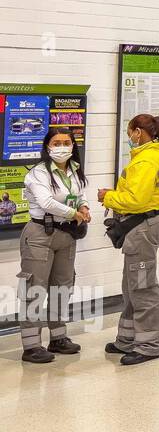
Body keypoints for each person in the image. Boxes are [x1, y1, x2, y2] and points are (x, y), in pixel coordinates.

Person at [100, 114, 159, 366]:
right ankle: (128, 339)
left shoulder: (146, 161)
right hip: (143, 226)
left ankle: (148, 346)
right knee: (131, 285)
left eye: (130, 131)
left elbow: (136, 201)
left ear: (138, 132)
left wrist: (108, 197)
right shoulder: (153, 155)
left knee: (142, 287)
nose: (129, 136)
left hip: (143, 226)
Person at [17, 129, 91, 363]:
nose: (62, 147)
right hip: (40, 233)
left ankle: (58, 338)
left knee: (62, 286)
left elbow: (79, 194)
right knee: (34, 289)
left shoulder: (74, 170)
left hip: (66, 235)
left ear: (73, 145)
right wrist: (74, 213)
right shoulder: (38, 173)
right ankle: (31, 346)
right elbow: (46, 202)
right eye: (56, 142)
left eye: (66, 142)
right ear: (47, 146)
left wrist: (85, 207)